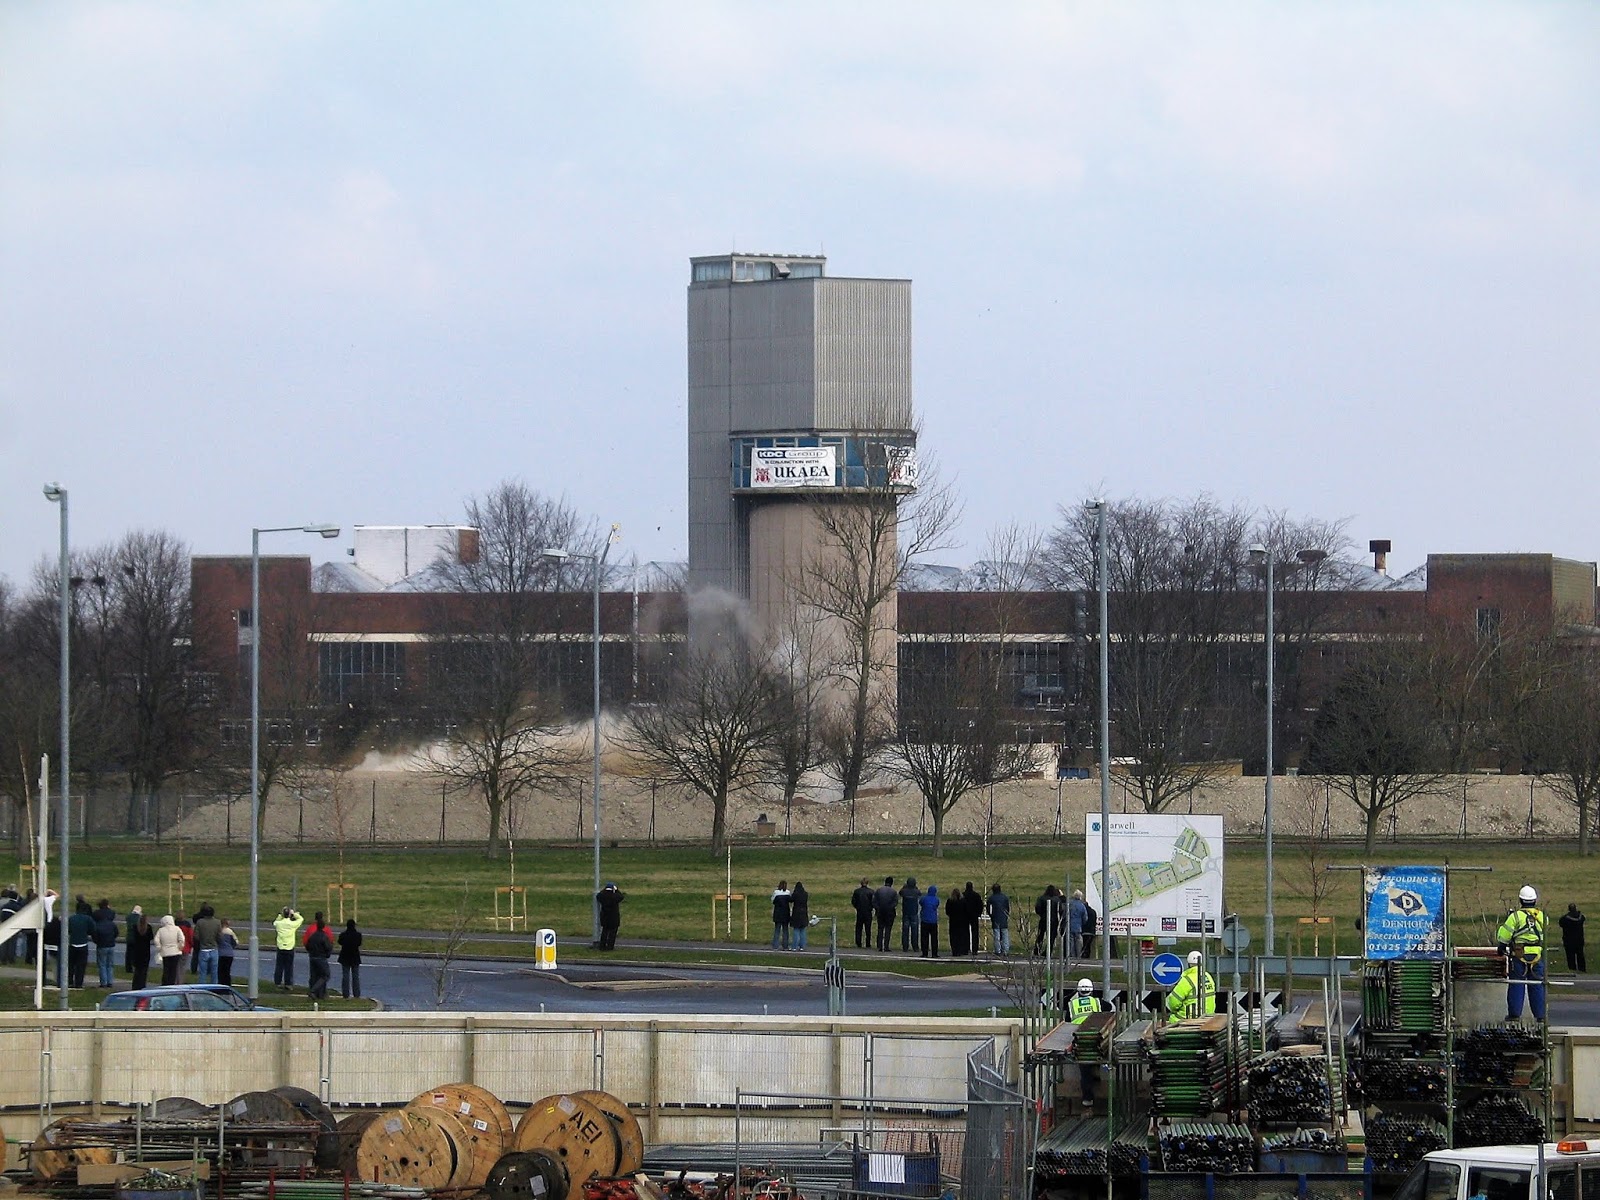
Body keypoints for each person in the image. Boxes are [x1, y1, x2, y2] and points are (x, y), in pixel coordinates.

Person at [1498, 884, 1548, 1021]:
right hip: (1537, 956)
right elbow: (1544, 935)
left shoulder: (1515, 917)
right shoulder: (1542, 916)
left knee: (1517, 984)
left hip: (1519, 955)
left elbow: (1505, 935)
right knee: (1537, 985)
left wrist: (1501, 947)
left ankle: (1514, 1015)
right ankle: (1541, 1016)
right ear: (1535, 900)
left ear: (1520, 900)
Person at [1068, 979, 1107, 1107]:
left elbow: (1067, 1023)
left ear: (1078, 991)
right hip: (1096, 1040)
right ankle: (1097, 1078)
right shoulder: (1097, 1002)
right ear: (1092, 990)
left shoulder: (1072, 1005)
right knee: (1099, 1059)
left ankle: (1087, 1100)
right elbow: (1110, 1010)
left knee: (1084, 1071)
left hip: (1080, 1041)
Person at [1166, 950, 1217, 1023]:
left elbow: (1173, 1003)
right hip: (1208, 1018)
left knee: (1173, 1019)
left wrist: (1173, 1009)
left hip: (1188, 1019)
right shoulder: (1208, 976)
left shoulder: (1187, 980)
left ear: (1188, 964)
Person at [273, 906, 304, 991]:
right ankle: (288, 984)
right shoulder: (292, 924)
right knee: (289, 967)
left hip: (280, 947)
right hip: (289, 948)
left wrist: (280, 915)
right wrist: (294, 914)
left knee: (279, 966)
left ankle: (278, 983)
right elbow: (301, 919)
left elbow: (275, 922)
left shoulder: (279, 924)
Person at [66, 898, 94, 990]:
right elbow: (93, 930)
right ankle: (79, 983)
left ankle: (69, 981)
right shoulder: (88, 919)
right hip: (83, 944)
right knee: (81, 966)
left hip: (72, 944)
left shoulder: (71, 918)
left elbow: (68, 930)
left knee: (71, 965)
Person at [91, 898, 119, 988]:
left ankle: (104, 982)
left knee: (102, 964)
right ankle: (110, 981)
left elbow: (94, 935)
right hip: (111, 944)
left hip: (101, 945)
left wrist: (97, 942)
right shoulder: (111, 923)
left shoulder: (97, 924)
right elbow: (116, 933)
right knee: (110, 964)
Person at [305, 917, 333, 1000]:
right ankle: (314, 991)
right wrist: (327, 954)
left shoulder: (313, 936)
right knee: (325, 975)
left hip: (312, 957)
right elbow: (328, 947)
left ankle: (316, 993)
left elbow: (307, 945)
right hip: (321, 957)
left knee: (314, 976)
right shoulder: (324, 936)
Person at [193, 904, 222, 985]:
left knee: (203, 972)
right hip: (214, 949)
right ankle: (214, 987)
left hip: (203, 949)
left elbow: (196, 936)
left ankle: (202, 988)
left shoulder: (200, 922)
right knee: (214, 972)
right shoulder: (217, 922)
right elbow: (220, 936)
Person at [154, 914, 186, 986]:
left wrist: (159, 947)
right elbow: (182, 939)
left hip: (165, 952)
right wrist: (180, 947)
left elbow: (156, 940)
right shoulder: (177, 929)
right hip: (175, 952)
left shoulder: (161, 930)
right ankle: (171, 984)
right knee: (173, 970)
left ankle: (165, 984)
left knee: (166, 969)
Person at [127, 911, 154, 991]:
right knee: (144, 970)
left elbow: (134, 937)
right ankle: (142, 985)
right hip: (145, 950)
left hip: (137, 950)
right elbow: (151, 937)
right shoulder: (148, 928)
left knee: (137, 970)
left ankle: (135, 985)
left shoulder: (135, 927)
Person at [1034, 885, 1063, 955]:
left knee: (1041, 935)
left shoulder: (1041, 898)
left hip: (1043, 919)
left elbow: (1037, 908)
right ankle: (1048, 951)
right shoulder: (1057, 900)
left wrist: (1041, 914)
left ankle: (1037, 950)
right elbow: (1061, 910)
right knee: (1051, 937)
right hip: (1054, 920)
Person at [337, 919, 363, 998]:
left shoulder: (343, 935)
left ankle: (345, 993)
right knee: (355, 976)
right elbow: (359, 943)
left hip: (345, 956)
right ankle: (356, 994)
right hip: (355, 956)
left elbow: (340, 942)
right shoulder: (358, 935)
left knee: (345, 976)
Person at [596, 882, 624, 950]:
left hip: (605, 916)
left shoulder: (602, 896)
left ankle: (602, 946)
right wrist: (616, 890)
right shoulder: (615, 896)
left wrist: (604, 890)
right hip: (613, 917)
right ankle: (610, 946)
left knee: (604, 931)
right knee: (612, 933)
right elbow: (621, 896)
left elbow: (598, 896)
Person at [873, 877, 898, 952]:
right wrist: (889, 908)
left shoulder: (878, 890)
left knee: (880, 928)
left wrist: (878, 908)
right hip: (889, 913)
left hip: (880, 912)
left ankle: (879, 945)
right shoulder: (893, 892)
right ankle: (886, 946)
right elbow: (895, 902)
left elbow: (874, 901)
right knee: (888, 929)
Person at [1560, 903, 1586, 973]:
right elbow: (1583, 919)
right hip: (1579, 939)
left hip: (1569, 940)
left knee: (1570, 956)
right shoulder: (1581, 917)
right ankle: (1582, 968)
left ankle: (1572, 969)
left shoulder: (1565, 918)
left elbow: (1561, 923)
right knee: (1580, 955)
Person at [987, 883, 1011, 956]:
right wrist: (1006, 915)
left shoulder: (991, 898)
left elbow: (988, 908)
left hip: (995, 917)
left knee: (996, 935)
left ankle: (998, 950)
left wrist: (991, 915)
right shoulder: (1005, 897)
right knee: (1005, 934)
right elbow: (1007, 907)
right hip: (1003, 917)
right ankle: (1006, 950)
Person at [899, 878, 922, 952]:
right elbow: (919, 893)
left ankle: (905, 947)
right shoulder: (916, 891)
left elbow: (900, 892)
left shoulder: (904, 891)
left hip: (906, 913)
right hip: (914, 913)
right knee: (915, 931)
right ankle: (915, 946)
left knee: (905, 931)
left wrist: (904, 887)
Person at [851, 879, 875, 949]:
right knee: (868, 928)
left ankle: (858, 942)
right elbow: (873, 902)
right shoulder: (871, 892)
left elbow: (853, 901)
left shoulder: (857, 892)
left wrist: (857, 907)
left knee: (859, 927)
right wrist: (871, 907)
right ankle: (868, 943)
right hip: (868, 912)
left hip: (860, 911)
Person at [919, 885, 942, 958]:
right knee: (934, 938)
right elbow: (936, 906)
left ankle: (924, 953)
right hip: (933, 921)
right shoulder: (936, 899)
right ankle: (934, 953)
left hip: (925, 920)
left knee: (924, 938)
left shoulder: (924, 899)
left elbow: (920, 903)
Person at [946, 885, 968, 957]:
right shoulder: (963, 901)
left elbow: (947, 911)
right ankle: (960, 950)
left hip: (953, 921)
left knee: (953, 936)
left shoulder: (950, 901)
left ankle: (954, 951)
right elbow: (966, 910)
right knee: (961, 936)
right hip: (962, 921)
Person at [770, 881, 793, 950]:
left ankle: (775, 946)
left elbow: (772, 901)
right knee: (785, 930)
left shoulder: (776, 892)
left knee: (777, 930)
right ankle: (785, 946)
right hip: (786, 913)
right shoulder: (788, 892)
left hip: (778, 913)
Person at [963, 883, 983, 956]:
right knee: (975, 933)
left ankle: (966, 948)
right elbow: (980, 905)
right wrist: (979, 913)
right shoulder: (976, 895)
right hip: (974, 916)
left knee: (965, 932)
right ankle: (975, 949)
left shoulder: (963, 895)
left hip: (965, 916)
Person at [217, 919, 238, 986]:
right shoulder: (230, 932)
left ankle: (220, 984)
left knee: (220, 971)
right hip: (229, 954)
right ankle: (227, 985)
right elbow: (235, 942)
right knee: (227, 971)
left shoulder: (219, 931)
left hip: (220, 953)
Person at [1068, 890, 1088, 959]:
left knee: (1071, 941)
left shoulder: (1070, 904)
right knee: (1078, 941)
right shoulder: (1082, 906)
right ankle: (1078, 955)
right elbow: (1085, 917)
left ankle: (1071, 955)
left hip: (1070, 925)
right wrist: (1083, 923)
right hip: (1078, 926)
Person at [790, 882, 810, 951]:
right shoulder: (805, 894)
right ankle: (802, 946)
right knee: (802, 931)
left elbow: (791, 900)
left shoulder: (795, 894)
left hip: (796, 913)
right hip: (804, 913)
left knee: (796, 930)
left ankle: (794, 946)